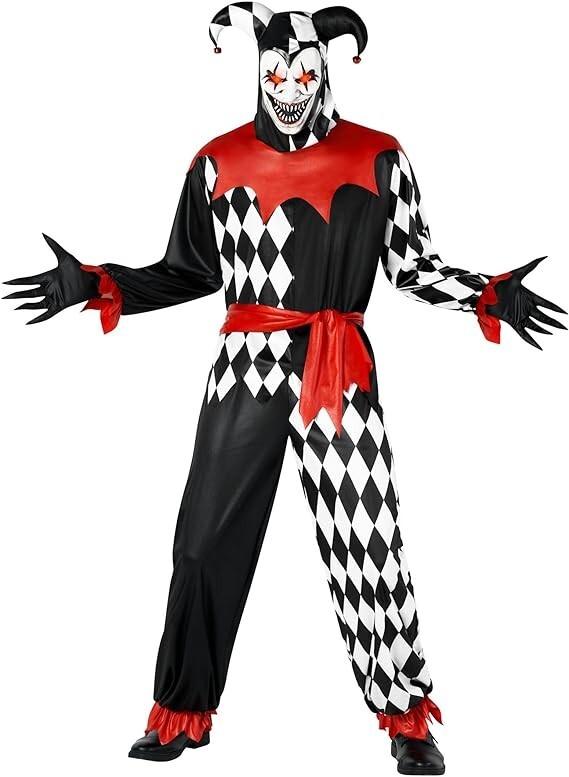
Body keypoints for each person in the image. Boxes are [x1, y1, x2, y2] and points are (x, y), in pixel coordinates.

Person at [3, 4, 566, 774]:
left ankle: (405, 718)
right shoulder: (217, 161)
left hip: (339, 367)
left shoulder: (377, 156)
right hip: (247, 361)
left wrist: (486, 294)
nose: (290, 88)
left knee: (368, 543)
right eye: (275, 74)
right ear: (258, 73)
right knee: (203, 543)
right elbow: (188, 272)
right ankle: (181, 712)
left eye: (304, 74)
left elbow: (412, 268)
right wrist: (101, 283)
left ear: (324, 71)